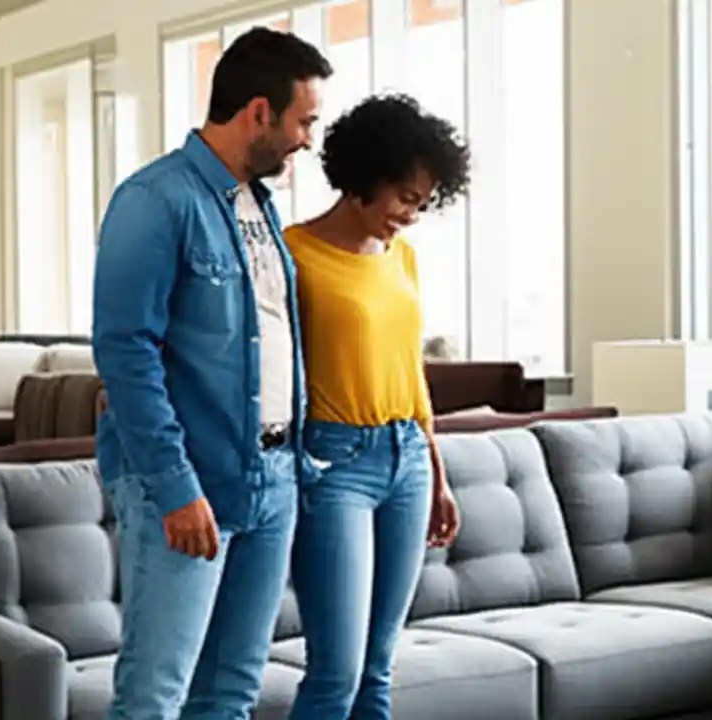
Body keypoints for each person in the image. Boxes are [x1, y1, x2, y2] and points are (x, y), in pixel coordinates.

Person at [92, 27, 332, 719]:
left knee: (230, 694)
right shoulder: (154, 199)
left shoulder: (258, 202)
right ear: (260, 111)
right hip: (190, 481)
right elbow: (126, 351)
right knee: (154, 698)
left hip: (273, 477)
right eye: (303, 120)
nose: (307, 140)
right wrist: (174, 488)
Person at [283, 93, 470, 720]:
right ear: (362, 175)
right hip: (333, 466)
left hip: (408, 461)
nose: (410, 215)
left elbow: (409, 371)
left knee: (379, 670)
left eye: (422, 203)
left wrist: (438, 474)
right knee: (337, 672)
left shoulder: (403, 259)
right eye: (403, 197)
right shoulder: (294, 255)